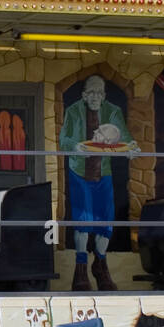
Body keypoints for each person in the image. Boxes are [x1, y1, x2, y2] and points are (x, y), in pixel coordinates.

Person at [59, 75, 138, 291]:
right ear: (84, 94)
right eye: (91, 92)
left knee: (105, 220)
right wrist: (75, 146)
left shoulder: (112, 111)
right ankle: (81, 268)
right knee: (82, 220)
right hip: (80, 172)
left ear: (103, 95)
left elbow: (124, 137)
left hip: (103, 173)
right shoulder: (73, 111)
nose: (95, 96)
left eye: (99, 92)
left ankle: (100, 264)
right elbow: (63, 139)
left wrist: (130, 146)